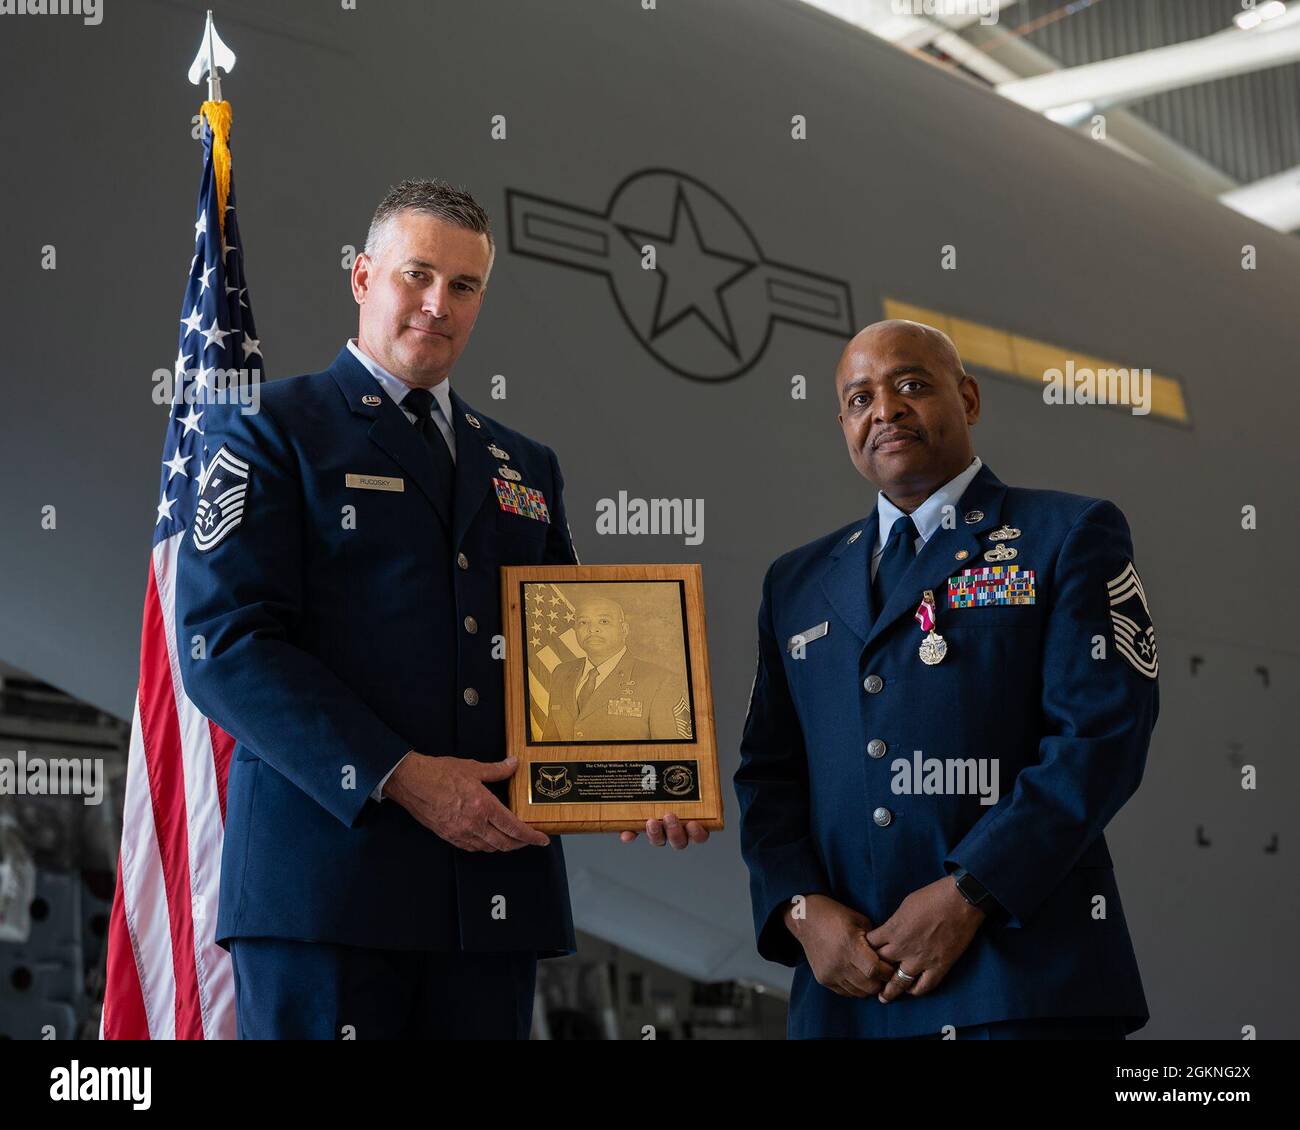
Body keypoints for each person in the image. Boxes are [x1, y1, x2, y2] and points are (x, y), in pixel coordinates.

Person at [177, 179, 698, 1040]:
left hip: (492, 896)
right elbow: (225, 647)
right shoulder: (272, 430)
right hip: (330, 892)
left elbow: (569, 648)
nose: (436, 304)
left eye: (463, 287)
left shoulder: (524, 463)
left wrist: (639, 770)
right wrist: (403, 774)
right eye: (416, 276)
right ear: (362, 276)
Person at [734, 319, 1158, 1039]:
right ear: (843, 423)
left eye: (911, 386)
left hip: (1019, 985)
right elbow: (770, 775)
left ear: (967, 397)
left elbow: (1100, 738)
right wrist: (801, 912)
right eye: (860, 398)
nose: (886, 410)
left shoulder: (1068, 534)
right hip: (849, 1001)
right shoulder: (796, 582)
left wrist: (971, 892)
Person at [539, 597, 691, 741]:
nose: (592, 629)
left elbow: (672, 752)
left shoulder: (660, 680)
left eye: (604, 621)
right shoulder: (561, 673)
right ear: (576, 630)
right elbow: (550, 746)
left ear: (624, 629)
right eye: (583, 622)